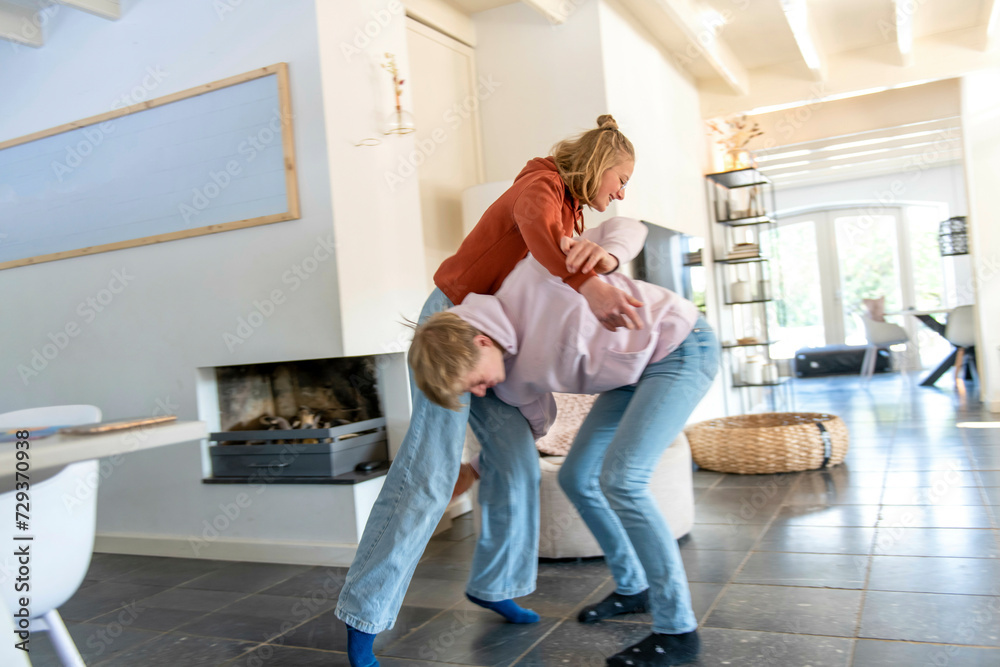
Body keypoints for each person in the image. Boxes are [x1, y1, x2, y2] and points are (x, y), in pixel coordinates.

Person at [335, 116, 641, 667]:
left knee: (517, 465)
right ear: (598, 164)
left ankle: (495, 584)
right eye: (620, 178)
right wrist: (590, 286)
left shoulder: (570, 207)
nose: (621, 192)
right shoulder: (541, 186)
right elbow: (537, 230)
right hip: (453, 332)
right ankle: (363, 618)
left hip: (495, 338)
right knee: (428, 475)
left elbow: (613, 237)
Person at [411, 217, 719, 667]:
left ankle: (677, 631)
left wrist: (610, 255)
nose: (481, 393)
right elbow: (537, 427)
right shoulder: (509, 382)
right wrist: (475, 470)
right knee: (578, 477)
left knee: (623, 481)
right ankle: (634, 587)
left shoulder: (531, 281)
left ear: (481, 340)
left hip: (679, 346)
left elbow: (624, 224)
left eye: (474, 382)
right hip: (628, 378)